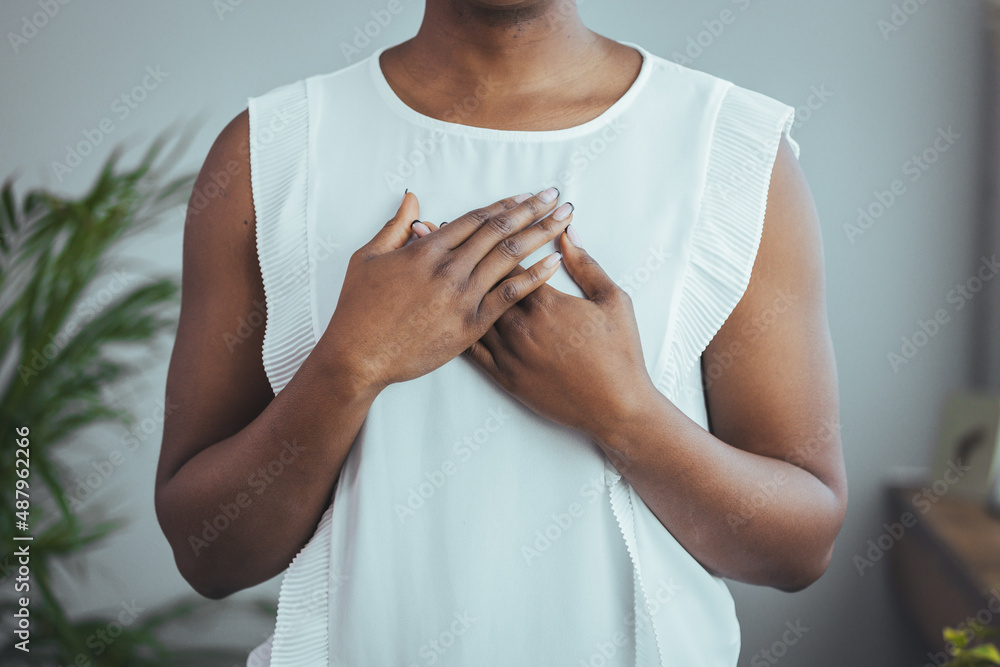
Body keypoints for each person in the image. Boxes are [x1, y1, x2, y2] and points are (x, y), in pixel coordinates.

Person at [154, 1, 848, 665]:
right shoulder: (269, 152)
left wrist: (625, 412)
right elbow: (208, 552)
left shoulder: (730, 148)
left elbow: (800, 546)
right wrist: (350, 364)